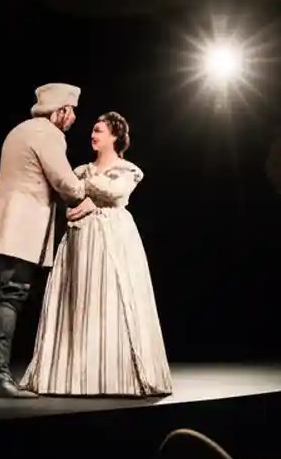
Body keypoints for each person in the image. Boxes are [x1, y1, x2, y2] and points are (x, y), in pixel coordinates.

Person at [18, 111, 172, 397]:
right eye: (93, 129)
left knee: (110, 301)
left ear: (115, 135)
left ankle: (115, 376)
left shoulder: (126, 169)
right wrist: (81, 199)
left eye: (99, 129)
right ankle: (72, 375)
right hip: (80, 241)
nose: (93, 134)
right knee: (79, 301)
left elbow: (115, 193)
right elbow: (67, 198)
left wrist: (89, 198)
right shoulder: (80, 170)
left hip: (113, 237)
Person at [0, 83, 93, 398]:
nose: (72, 120)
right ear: (60, 111)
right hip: (20, 228)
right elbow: (64, 182)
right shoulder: (48, 134)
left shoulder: (18, 131)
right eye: (71, 113)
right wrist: (86, 191)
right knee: (11, 297)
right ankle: (0, 376)